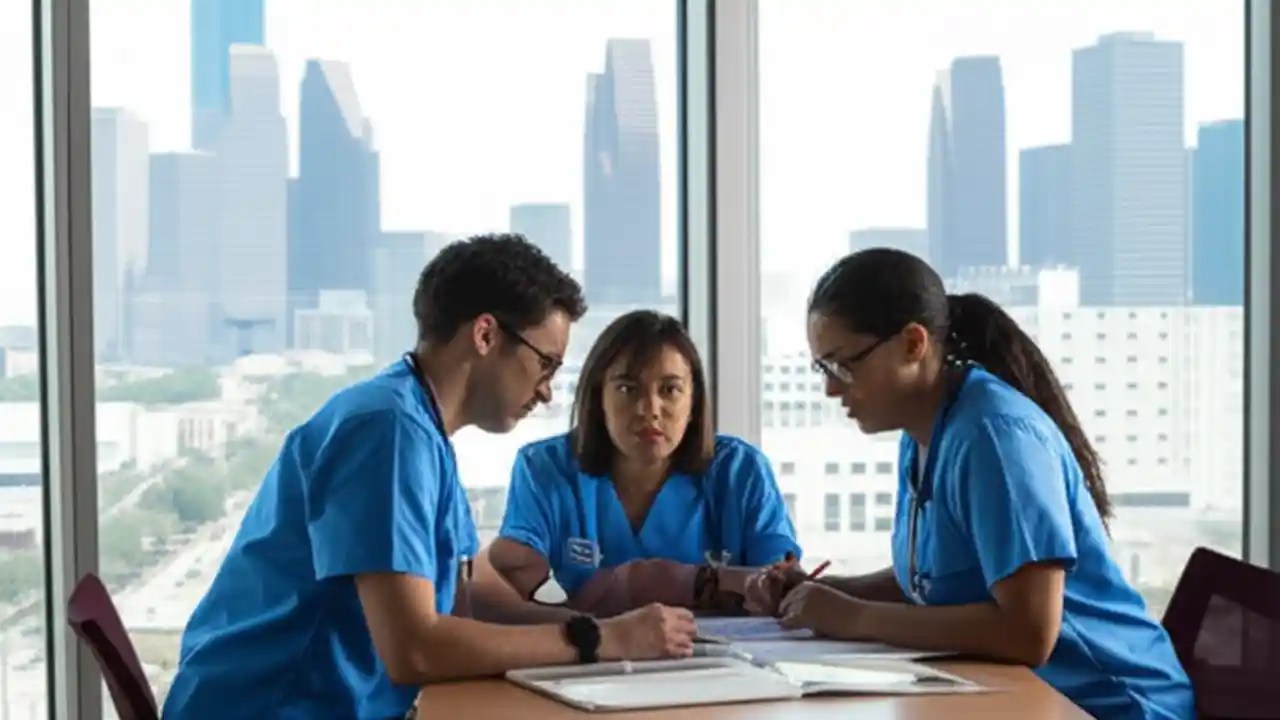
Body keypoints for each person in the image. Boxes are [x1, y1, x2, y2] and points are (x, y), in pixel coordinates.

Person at [162, 236, 698, 720]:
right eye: (545, 364)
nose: (546, 391)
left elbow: (466, 587)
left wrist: (596, 624)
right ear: (485, 334)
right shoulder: (387, 432)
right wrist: (595, 639)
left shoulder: (416, 426)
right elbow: (415, 648)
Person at [746, 248, 1194, 720]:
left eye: (844, 365)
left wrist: (853, 617)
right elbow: (938, 583)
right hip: (1016, 696)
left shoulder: (994, 438)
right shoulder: (923, 431)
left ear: (912, 344)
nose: (831, 389)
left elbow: (1029, 633)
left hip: (1115, 706)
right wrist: (831, 594)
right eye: (823, 369)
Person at [478, 310, 801, 619]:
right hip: (592, 660)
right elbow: (507, 581)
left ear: (694, 401)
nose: (650, 409)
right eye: (627, 389)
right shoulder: (545, 469)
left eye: (670, 390)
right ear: (598, 397)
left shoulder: (740, 471)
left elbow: (778, 585)